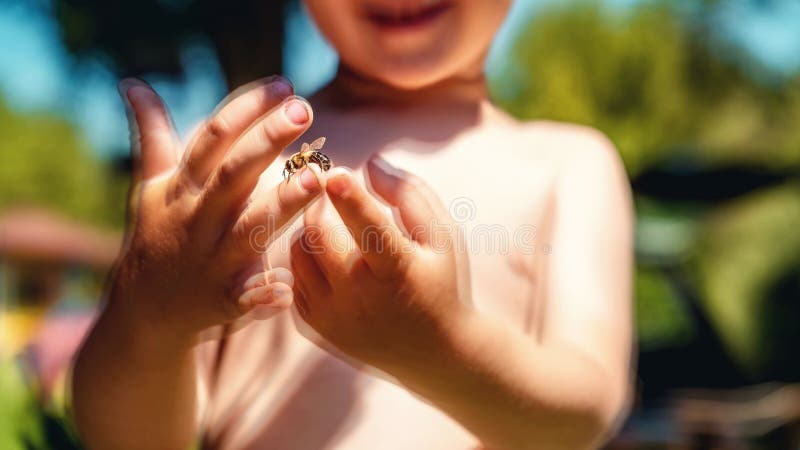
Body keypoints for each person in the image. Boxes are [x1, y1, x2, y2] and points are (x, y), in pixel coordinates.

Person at [71, 1, 634, 449]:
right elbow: (125, 439)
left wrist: (440, 350)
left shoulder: (569, 163)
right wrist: (148, 313)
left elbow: (584, 418)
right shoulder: (226, 163)